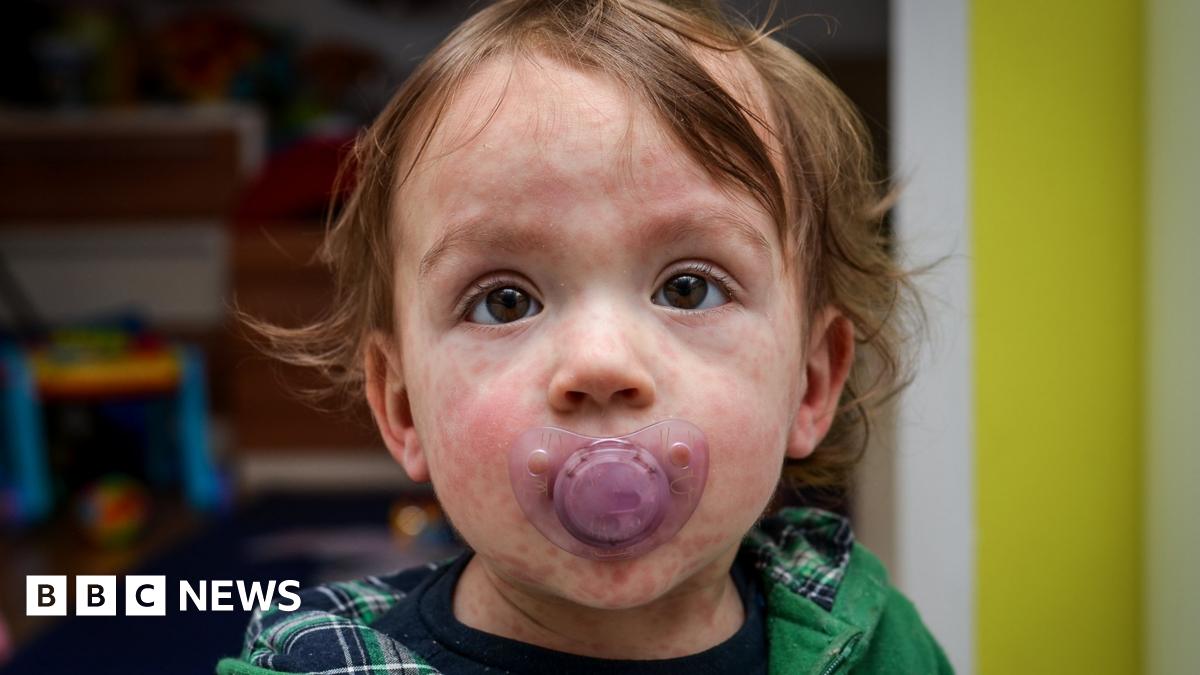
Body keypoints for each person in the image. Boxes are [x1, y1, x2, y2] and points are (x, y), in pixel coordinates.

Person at [218, 0, 951, 672]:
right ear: (403, 406)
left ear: (812, 383)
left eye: (687, 288)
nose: (600, 362)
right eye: (504, 301)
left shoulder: (875, 640)